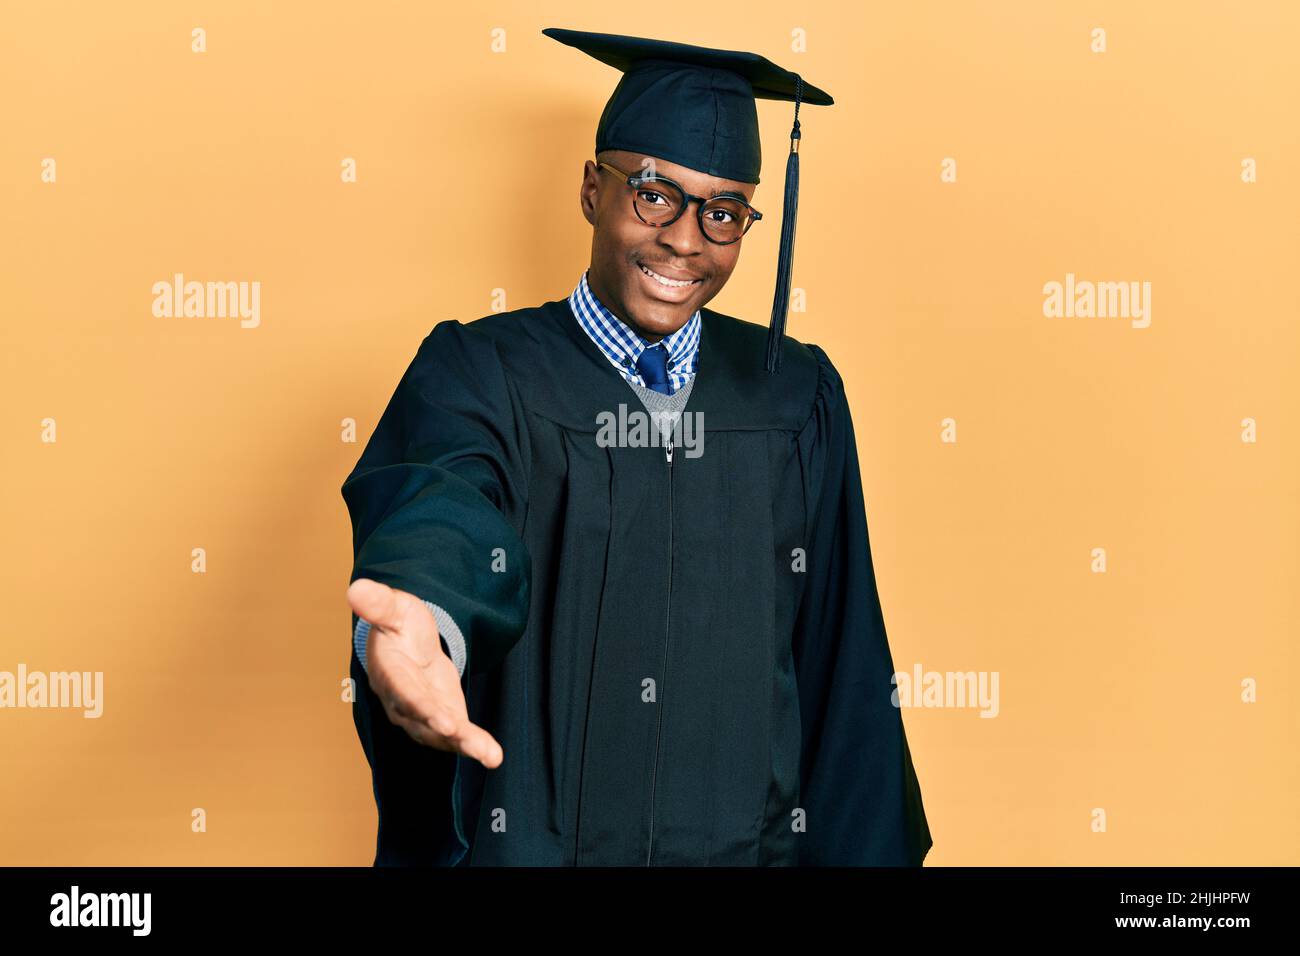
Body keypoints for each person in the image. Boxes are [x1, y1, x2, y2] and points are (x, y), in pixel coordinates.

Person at [342, 27, 933, 866]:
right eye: (655, 194)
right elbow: (444, 504)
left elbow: (843, 659)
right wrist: (419, 621)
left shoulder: (795, 396)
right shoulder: (483, 373)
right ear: (593, 189)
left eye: (724, 212)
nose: (686, 240)